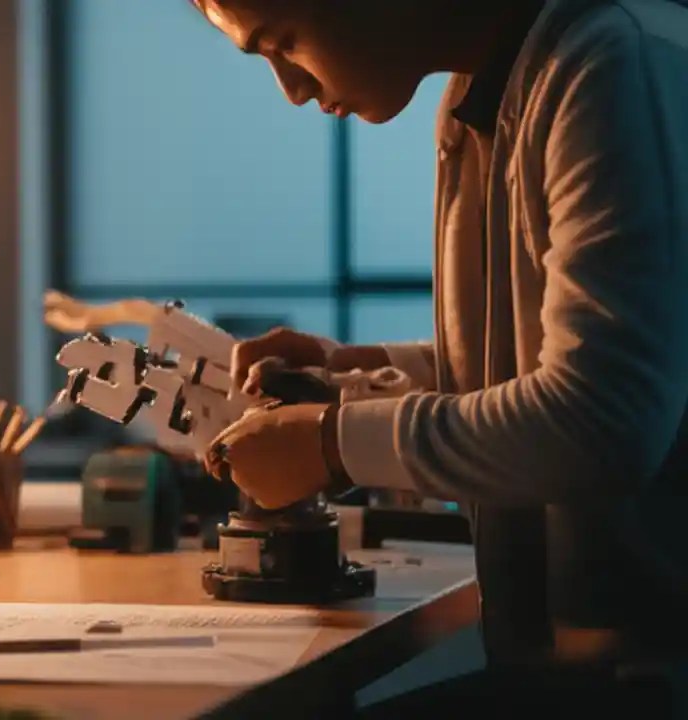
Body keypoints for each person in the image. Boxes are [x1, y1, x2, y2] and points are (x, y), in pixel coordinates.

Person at [191, 0, 688, 716]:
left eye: (284, 43)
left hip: (647, 674)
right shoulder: (480, 95)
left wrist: (332, 445)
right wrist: (356, 373)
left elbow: (603, 417)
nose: (291, 89)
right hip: (565, 664)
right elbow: (574, 355)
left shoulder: (611, 60)